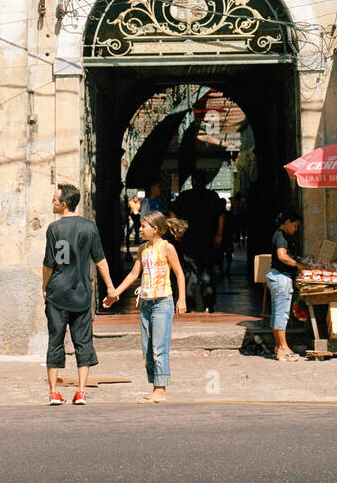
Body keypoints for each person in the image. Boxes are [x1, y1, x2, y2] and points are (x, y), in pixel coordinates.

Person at [43, 182, 116, 406]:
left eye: (55, 200)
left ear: (64, 204)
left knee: (55, 340)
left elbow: (49, 264)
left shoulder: (54, 229)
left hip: (57, 293)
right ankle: (81, 391)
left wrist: (44, 287)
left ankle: (54, 392)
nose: (52, 203)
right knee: (83, 342)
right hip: (82, 293)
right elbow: (100, 259)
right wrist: (110, 287)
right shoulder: (89, 227)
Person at [103, 211, 187, 403]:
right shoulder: (143, 249)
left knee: (159, 347)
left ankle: (161, 390)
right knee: (148, 349)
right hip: (146, 304)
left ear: (155, 229)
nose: (139, 229)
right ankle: (156, 386)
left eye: (143, 226)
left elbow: (179, 274)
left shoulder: (167, 248)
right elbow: (134, 274)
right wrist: (115, 293)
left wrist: (181, 299)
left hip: (162, 303)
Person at [170, 171, 225, 312]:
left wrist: (177, 231)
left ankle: (190, 304)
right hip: (208, 240)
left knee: (191, 272)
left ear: (193, 181)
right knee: (207, 272)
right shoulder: (212, 196)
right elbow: (221, 215)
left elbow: (172, 211)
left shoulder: (185, 196)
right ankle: (209, 303)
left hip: (189, 241)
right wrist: (219, 234)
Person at [267, 209, 308, 361]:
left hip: (276, 277)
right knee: (281, 315)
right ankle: (284, 348)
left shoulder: (280, 235)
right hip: (280, 277)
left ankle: (279, 347)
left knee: (277, 314)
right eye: (295, 226)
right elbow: (282, 256)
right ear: (287, 222)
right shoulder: (281, 237)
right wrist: (299, 265)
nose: (296, 229)